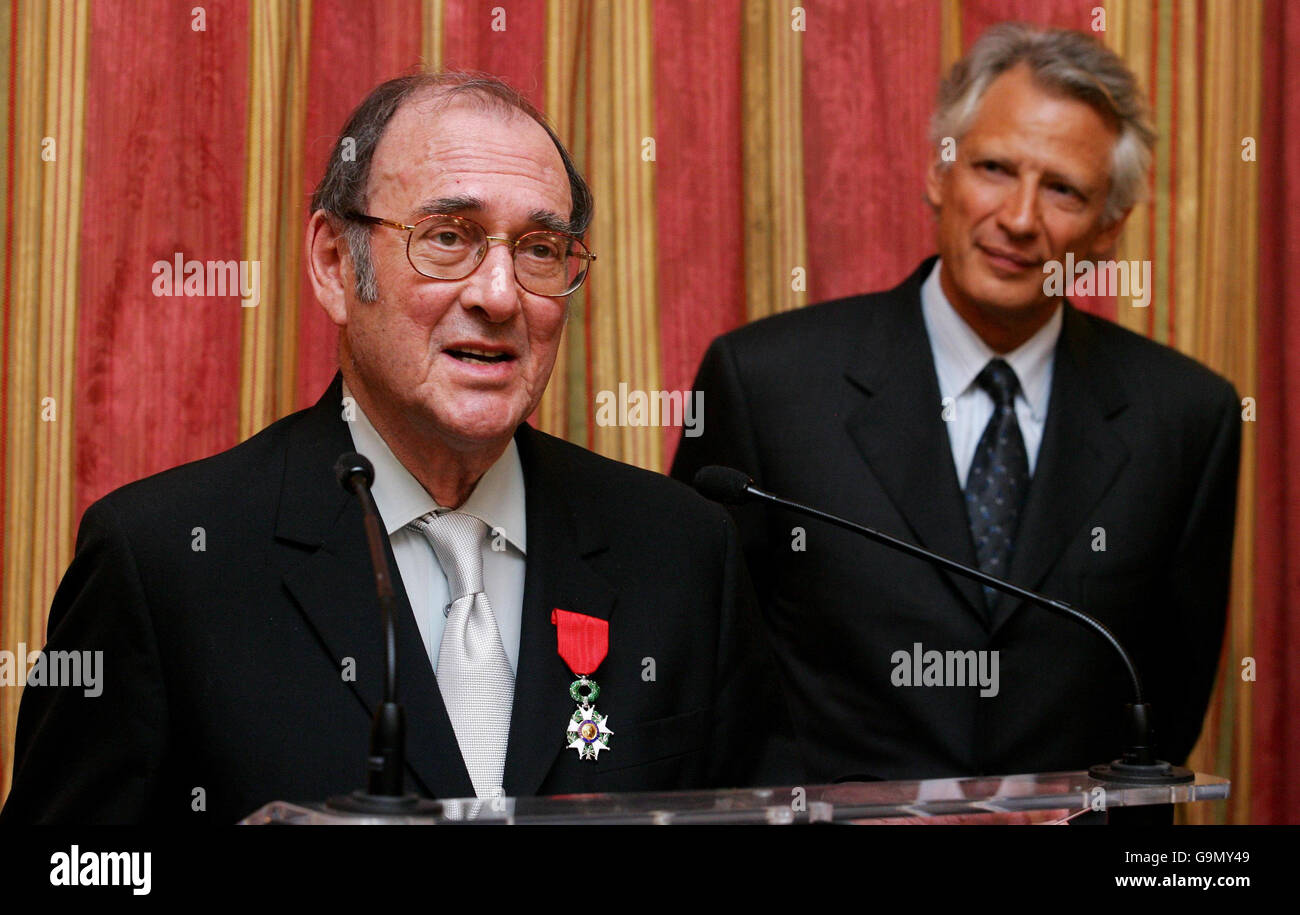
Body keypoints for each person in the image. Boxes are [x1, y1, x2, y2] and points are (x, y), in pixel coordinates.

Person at [2, 72, 796, 824]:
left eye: (540, 249)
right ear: (335, 264)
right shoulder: (167, 561)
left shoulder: (682, 550)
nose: (497, 294)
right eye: (447, 237)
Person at [672, 24, 1241, 784]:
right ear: (940, 174)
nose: (1019, 218)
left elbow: (1165, 705)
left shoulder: (1187, 417)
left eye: (1063, 189)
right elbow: (702, 672)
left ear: (1109, 230)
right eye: (995, 168)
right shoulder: (766, 382)